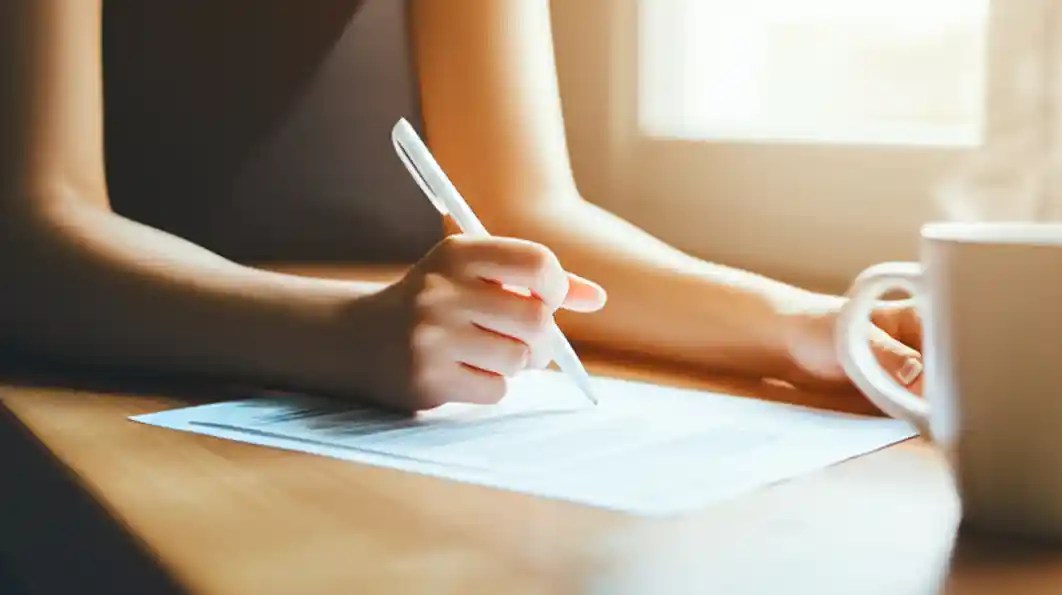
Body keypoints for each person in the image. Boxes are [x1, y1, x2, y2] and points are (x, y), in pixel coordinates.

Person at [0, 0, 922, 412]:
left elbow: (529, 219)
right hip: (94, 411)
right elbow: (35, 236)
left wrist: (803, 326)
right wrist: (345, 337)